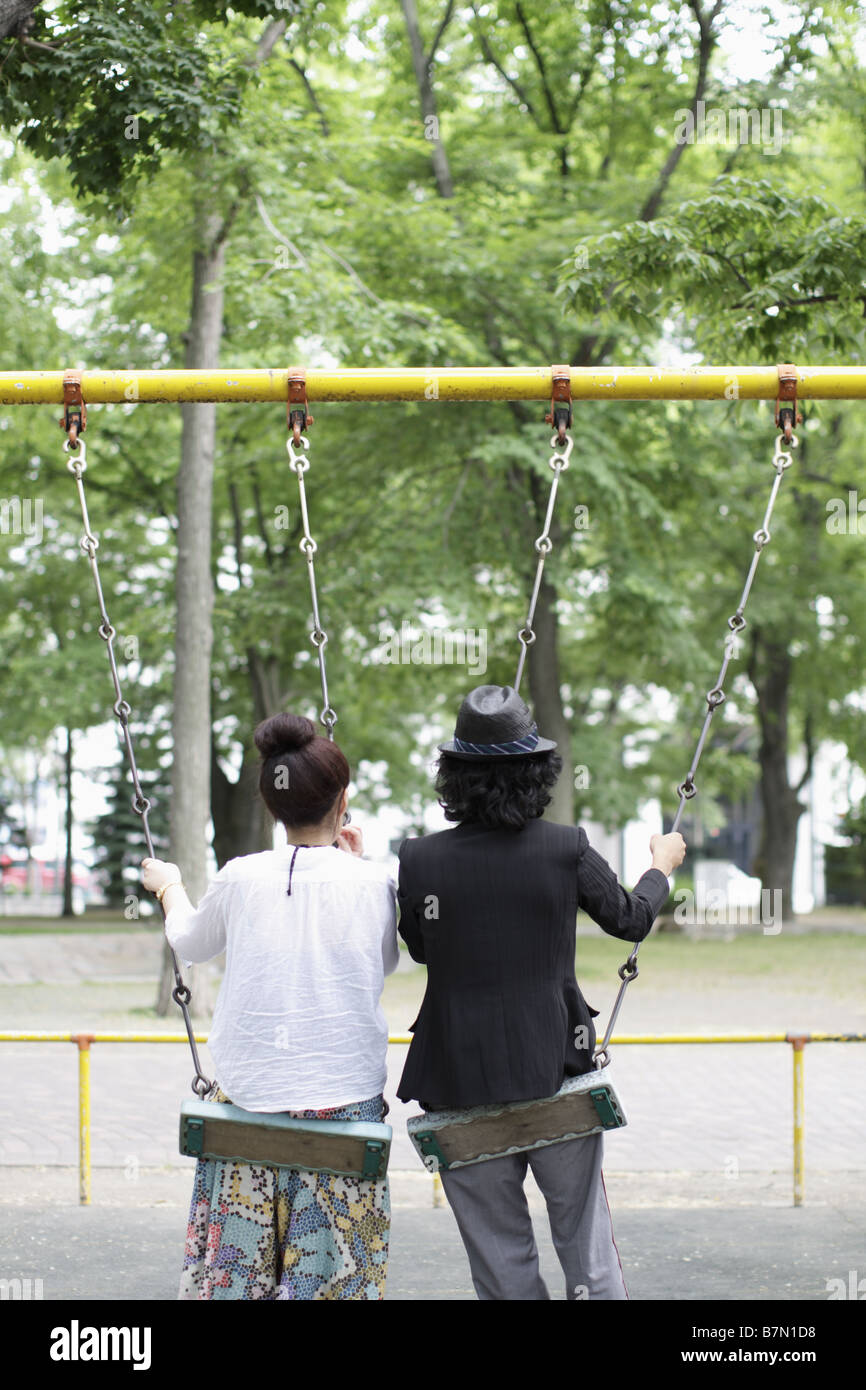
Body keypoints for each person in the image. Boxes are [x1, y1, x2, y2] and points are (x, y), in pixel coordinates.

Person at [396, 683, 686, 1301]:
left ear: (454, 776)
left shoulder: (420, 859)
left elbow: (422, 948)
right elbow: (631, 919)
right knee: (588, 1253)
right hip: (554, 1069)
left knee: (502, 1266)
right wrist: (660, 865)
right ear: (538, 772)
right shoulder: (564, 848)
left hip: (458, 1079)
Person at [140, 712, 399, 1301]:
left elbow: (190, 943)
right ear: (343, 802)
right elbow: (380, 962)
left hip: (248, 1103)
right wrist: (356, 865)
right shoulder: (376, 882)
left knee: (238, 1279)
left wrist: (170, 886)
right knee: (332, 1282)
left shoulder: (239, 877)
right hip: (343, 1108)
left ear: (272, 806)